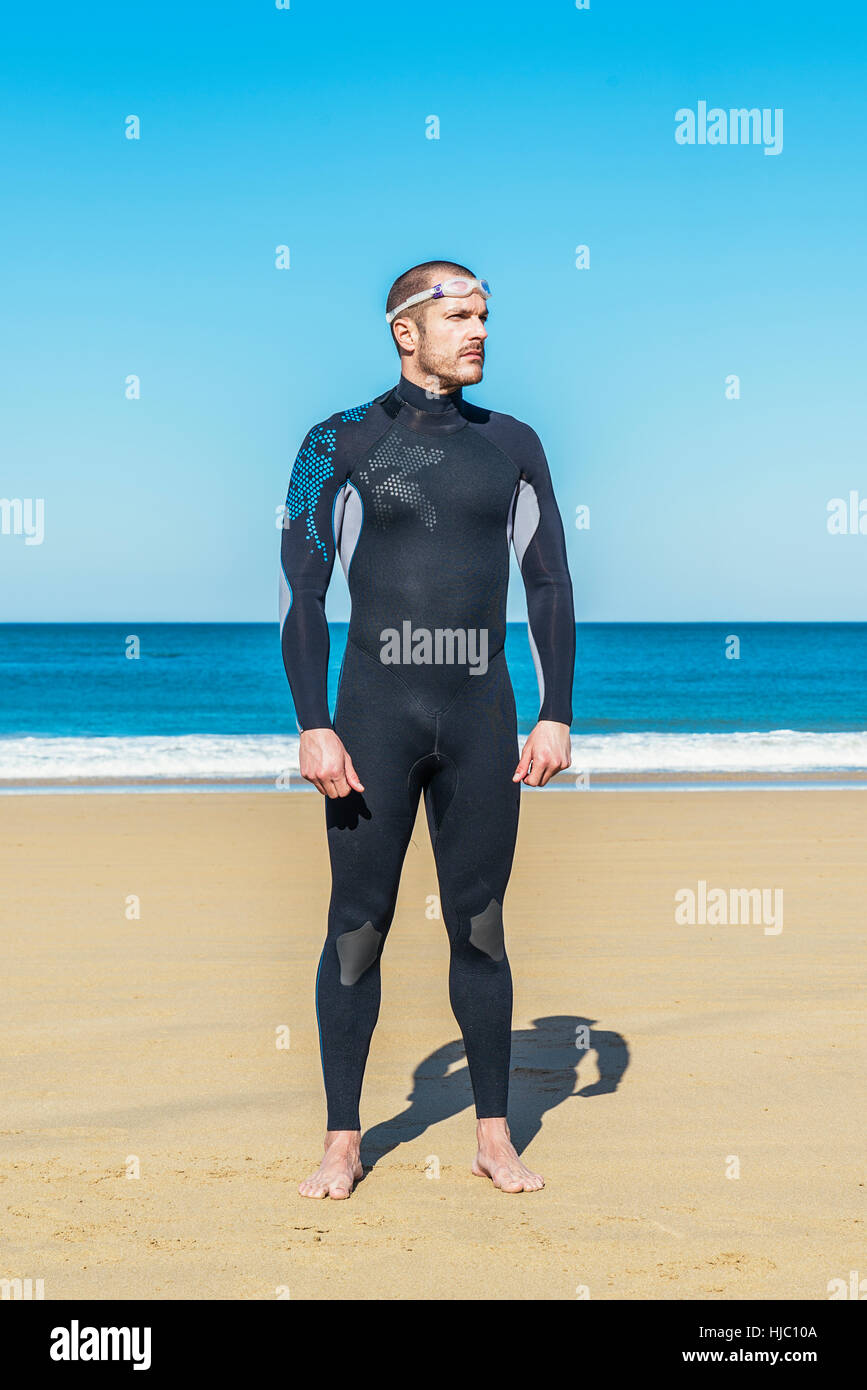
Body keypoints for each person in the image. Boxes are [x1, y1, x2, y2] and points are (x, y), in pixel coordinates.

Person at [279, 261, 575, 1197]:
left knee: (480, 927)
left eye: (485, 313)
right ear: (406, 329)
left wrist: (555, 710)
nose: (478, 329)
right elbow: (303, 592)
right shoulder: (337, 443)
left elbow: (548, 585)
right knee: (357, 930)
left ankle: (493, 1135)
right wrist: (314, 725)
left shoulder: (515, 444)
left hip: (482, 717)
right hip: (372, 717)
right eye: (459, 314)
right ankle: (341, 1137)